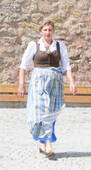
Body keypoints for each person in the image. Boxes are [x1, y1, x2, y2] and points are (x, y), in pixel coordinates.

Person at [16, 19, 77, 158]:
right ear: (41, 31)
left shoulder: (60, 46)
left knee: (51, 112)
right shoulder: (34, 45)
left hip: (55, 83)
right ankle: (43, 140)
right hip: (38, 83)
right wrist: (21, 85)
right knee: (37, 115)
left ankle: (47, 143)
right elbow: (23, 66)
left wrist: (72, 82)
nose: (47, 32)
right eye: (45, 30)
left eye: (50, 30)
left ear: (53, 31)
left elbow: (67, 66)